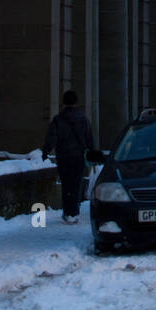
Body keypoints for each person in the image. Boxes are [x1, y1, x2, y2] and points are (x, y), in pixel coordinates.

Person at [42, 91, 96, 224]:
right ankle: (74, 212)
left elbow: (52, 138)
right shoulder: (83, 118)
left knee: (66, 184)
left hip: (64, 156)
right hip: (78, 156)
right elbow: (89, 137)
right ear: (76, 102)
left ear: (64, 102)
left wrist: (45, 151)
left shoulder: (58, 119)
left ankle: (67, 212)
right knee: (76, 184)